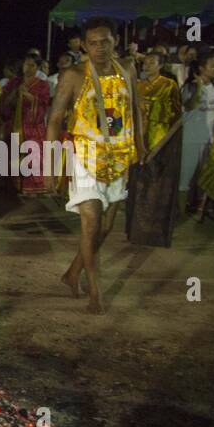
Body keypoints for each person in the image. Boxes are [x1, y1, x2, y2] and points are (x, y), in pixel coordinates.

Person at [46, 16, 145, 314]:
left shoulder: (127, 68)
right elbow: (54, 121)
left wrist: (140, 144)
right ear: (84, 46)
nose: (100, 48)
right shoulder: (73, 75)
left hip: (118, 157)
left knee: (106, 227)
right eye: (93, 43)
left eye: (105, 41)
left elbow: (135, 109)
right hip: (85, 158)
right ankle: (96, 294)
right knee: (91, 224)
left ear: (115, 41)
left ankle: (72, 272)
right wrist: (51, 166)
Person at [179, 54, 214, 214]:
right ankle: (180, 211)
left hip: (210, 140)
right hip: (191, 139)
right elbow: (190, 106)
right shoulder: (189, 87)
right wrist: (199, 87)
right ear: (201, 68)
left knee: (205, 177)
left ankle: (198, 208)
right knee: (185, 178)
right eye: (213, 66)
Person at [0, 54, 52, 196]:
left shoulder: (42, 84)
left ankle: (34, 187)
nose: (28, 68)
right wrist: (16, 92)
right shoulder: (14, 82)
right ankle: (15, 186)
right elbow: (4, 102)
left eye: (32, 65)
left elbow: (43, 106)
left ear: (37, 68)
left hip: (33, 126)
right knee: (14, 154)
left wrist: (28, 97)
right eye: (26, 65)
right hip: (15, 123)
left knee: (33, 155)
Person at [136, 48, 181, 155]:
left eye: (151, 63)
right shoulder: (138, 85)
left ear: (160, 66)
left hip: (160, 129)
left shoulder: (169, 84)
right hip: (141, 129)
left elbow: (177, 108)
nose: (147, 66)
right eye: (145, 63)